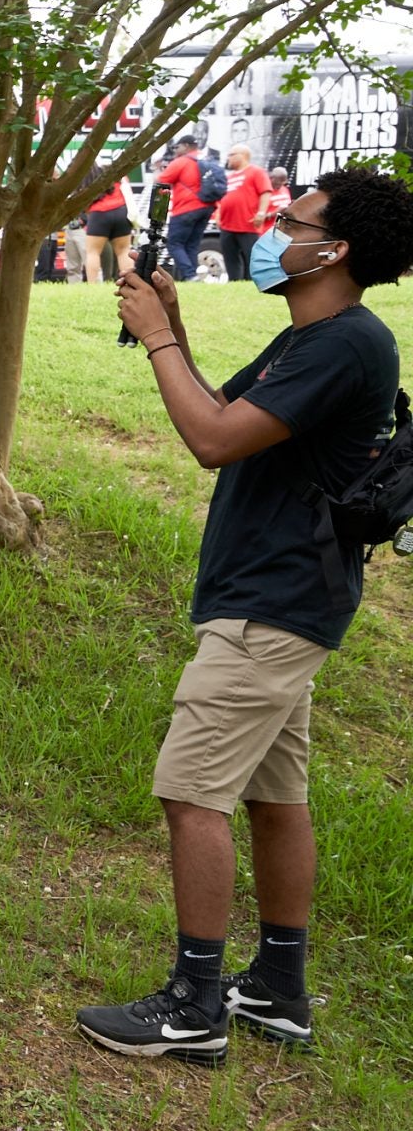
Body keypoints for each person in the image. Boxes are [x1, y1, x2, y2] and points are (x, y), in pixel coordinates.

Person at [80, 167, 411, 1064]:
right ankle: (277, 988)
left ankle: (193, 1003)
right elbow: (230, 412)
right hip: (284, 596)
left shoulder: (345, 344)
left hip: (273, 603)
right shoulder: (310, 339)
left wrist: (151, 340)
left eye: (291, 221)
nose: (273, 229)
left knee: (191, 792)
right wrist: (173, 323)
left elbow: (210, 441)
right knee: (275, 796)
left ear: (332, 249)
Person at [155, 136, 211, 280]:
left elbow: (160, 181)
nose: (175, 150)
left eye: (176, 147)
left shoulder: (182, 162)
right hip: (206, 208)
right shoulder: (206, 159)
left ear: (185, 146)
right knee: (191, 245)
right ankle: (192, 279)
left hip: (186, 209)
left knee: (174, 244)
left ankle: (190, 275)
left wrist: (157, 167)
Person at [213, 147, 272, 282]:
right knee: (230, 257)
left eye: (231, 155)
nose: (228, 158)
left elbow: (266, 192)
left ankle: (256, 283)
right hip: (227, 226)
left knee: (252, 257)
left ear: (243, 155)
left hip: (248, 224)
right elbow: (224, 198)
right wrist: (218, 214)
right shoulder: (229, 176)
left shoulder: (256, 172)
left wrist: (261, 212)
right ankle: (234, 283)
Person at [84, 172, 136, 282]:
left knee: (93, 252)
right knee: (124, 251)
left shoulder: (90, 175)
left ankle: (92, 286)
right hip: (121, 211)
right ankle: (132, 284)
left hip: (99, 213)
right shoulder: (118, 174)